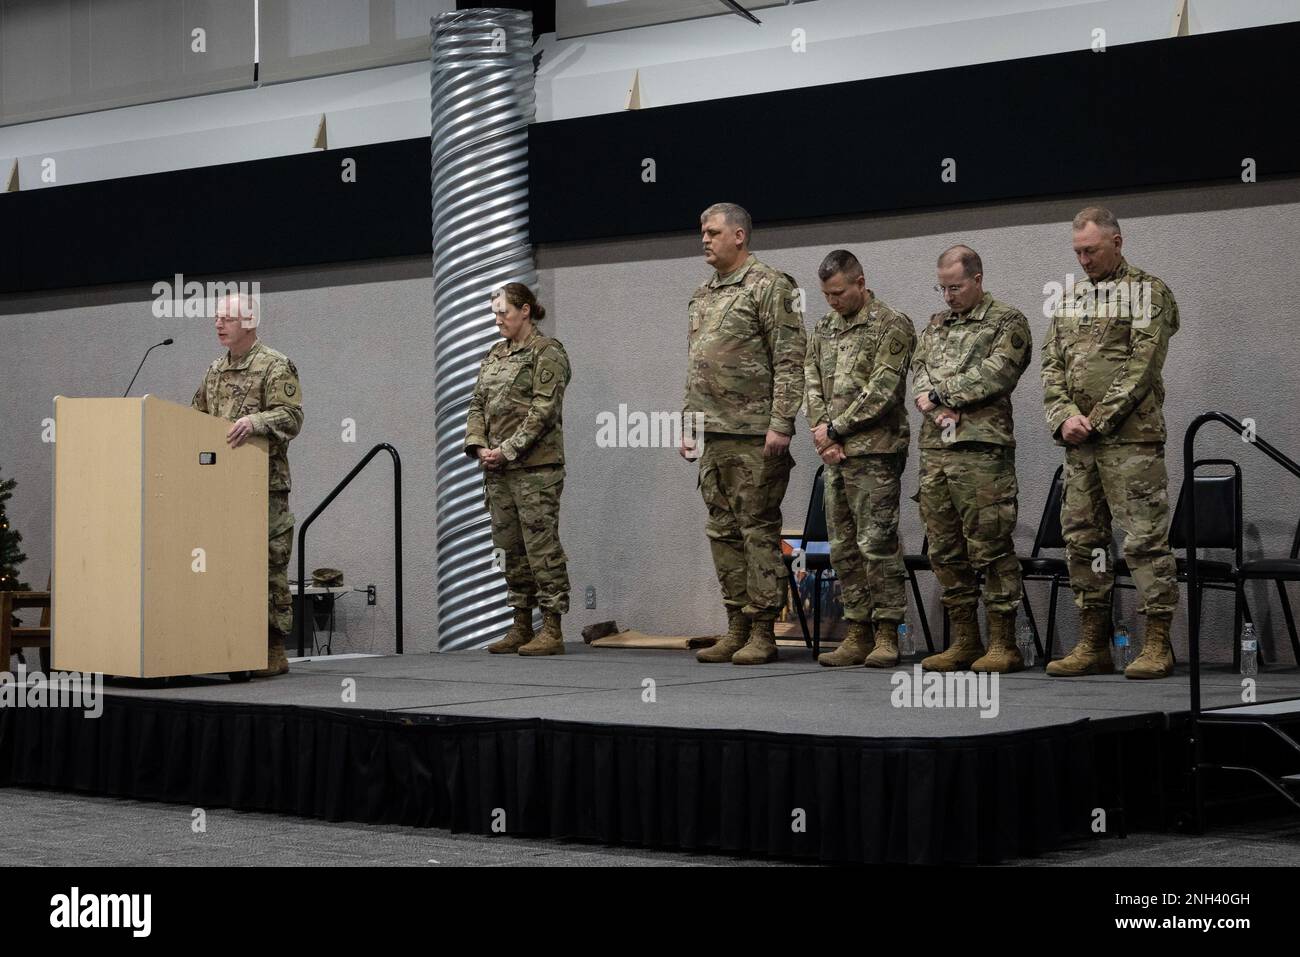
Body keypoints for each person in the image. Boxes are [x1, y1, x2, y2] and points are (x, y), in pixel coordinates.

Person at [1041, 206, 1180, 679]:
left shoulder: (1148, 292)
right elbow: (1051, 365)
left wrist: (1095, 420)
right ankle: (1093, 643)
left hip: (1130, 442)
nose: (1084, 260)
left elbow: (1142, 367)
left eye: (1092, 250)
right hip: (1079, 446)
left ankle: (1157, 643)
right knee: (1083, 539)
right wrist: (1063, 417)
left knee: (1143, 539)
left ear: (1117, 243)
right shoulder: (1069, 298)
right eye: (1078, 251)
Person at [681, 202, 807, 665]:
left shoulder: (770, 286)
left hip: (756, 435)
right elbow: (696, 366)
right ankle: (735, 623)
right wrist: (690, 424)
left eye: (713, 232)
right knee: (722, 531)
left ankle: (762, 630)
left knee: (757, 530)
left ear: (739, 236)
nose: (704, 239)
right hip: (714, 435)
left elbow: (791, 359)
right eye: (702, 232)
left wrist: (782, 423)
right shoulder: (703, 294)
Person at [912, 245, 1033, 673]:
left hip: (982, 454)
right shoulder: (934, 326)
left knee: (991, 546)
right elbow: (919, 371)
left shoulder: (1007, 321)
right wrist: (932, 403)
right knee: (945, 550)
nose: (948, 296)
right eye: (942, 288)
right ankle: (965, 639)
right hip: (936, 452)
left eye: (955, 287)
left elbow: (998, 372)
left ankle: (1004, 644)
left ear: (978, 279)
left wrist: (944, 395)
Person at [805, 250, 915, 668]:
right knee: (844, 547)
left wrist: (836, 429)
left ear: (860, 283)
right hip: (834, 454)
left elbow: (883, 391)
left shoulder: (892, 324)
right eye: (826, 295)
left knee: (878, 544)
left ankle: (887, 633)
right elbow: (809, 381)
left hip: (875, 453)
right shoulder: (823, 328)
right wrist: (822, 435)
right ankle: (857, 632)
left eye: (838, 293)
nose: (832, 302)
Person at [192, 292, 302, 677]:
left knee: (268, 564)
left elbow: (292, 417)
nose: (219, 324)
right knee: (224, 564)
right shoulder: (213, 370)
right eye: (217, 318)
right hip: (221, 488)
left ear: (250, 321)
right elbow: (196, 419)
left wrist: (256, 422)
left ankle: (273, 646)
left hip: (264, 485)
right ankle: (226, 641)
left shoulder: (275, 365)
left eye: (227, 318)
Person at [465, 283, 572, 656]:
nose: (498, 320)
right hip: (498, 470)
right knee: (509, 549)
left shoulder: (548, 353)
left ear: (525, 311)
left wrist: (506, 451)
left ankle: (552, 627)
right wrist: (479, 446)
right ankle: (521, 623)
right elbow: (477, 402)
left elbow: (543, 412)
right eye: (495, 313)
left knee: (541, 547)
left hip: (535, 470)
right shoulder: (495, 355)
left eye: (503, 313)